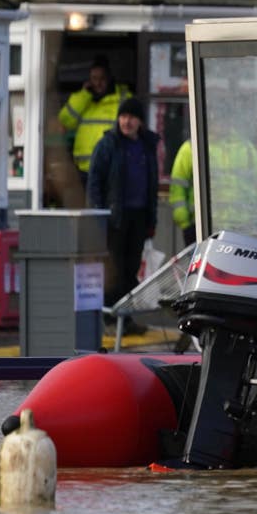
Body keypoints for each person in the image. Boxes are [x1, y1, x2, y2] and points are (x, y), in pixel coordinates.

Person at [87, 96, 159, 335]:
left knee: (131, 269)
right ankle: (111, 318)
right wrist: (99, 213)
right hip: (114, 219)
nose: (126, 122)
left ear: (140, 121)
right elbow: (94, 181)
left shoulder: (147, 147)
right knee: (115, 269)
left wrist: (151, 220)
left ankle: (126, 319)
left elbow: (153, 186)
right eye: (123, 116)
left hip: (138, 217)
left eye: (131, 117)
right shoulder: (108, 144)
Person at [59, 57, 132, 188]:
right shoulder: (83, 99)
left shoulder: (123, 98)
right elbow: (65, 121)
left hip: (112, 170)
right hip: (84, 172)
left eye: (102, 78)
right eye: (94, 78)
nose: (98, 83)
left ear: (109, 78)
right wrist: (84, 95)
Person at [169, 138, 196, 247]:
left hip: (237, 227)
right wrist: (185, 223)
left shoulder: (245, 147)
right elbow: (178, 185)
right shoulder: (190, 148)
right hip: (197, 225)